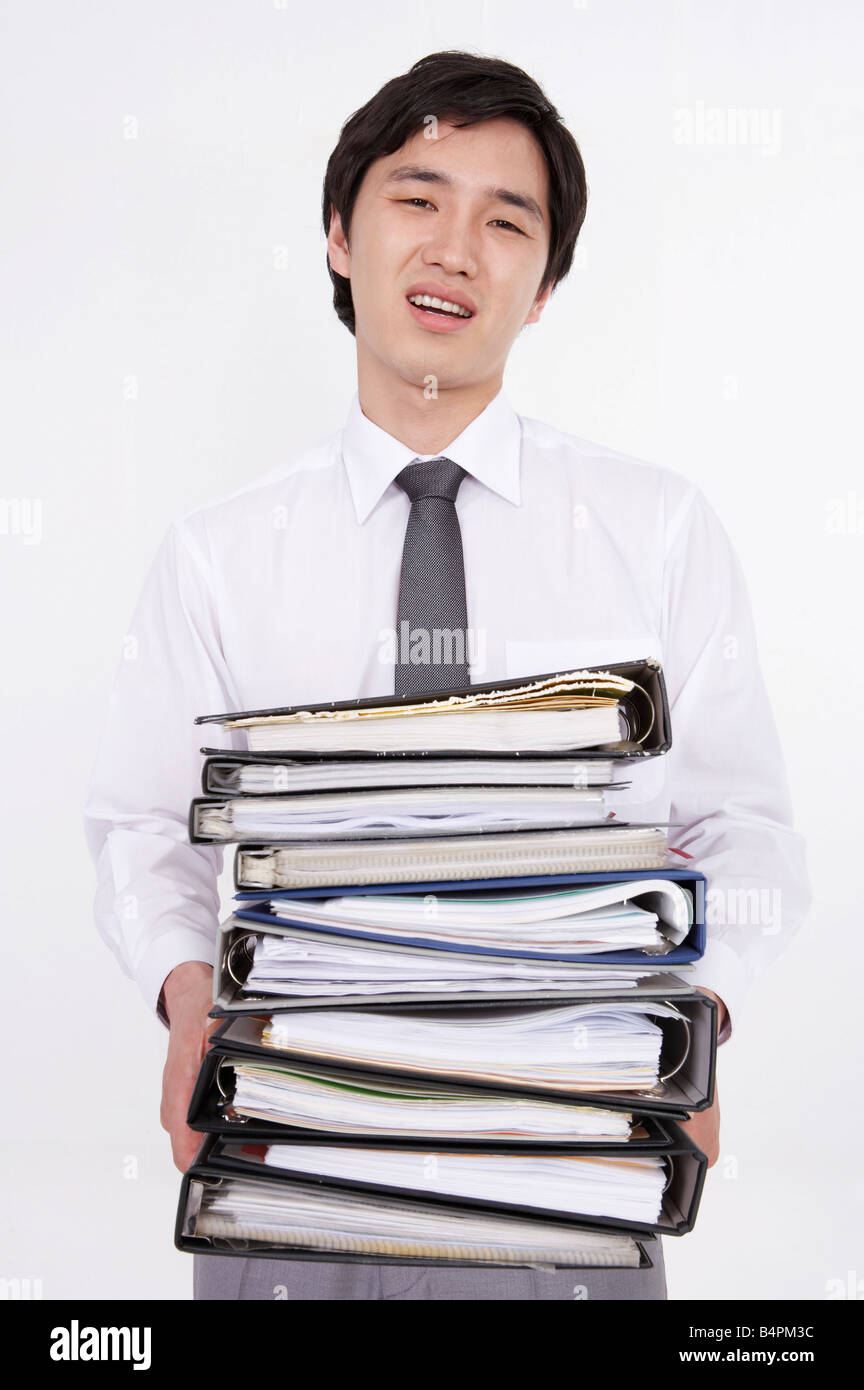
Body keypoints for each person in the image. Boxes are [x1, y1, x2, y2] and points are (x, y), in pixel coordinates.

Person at [83, 50, 811, 1301]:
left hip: (570, 1154)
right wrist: (189, 998)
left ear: (541, 289)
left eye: (505, 219)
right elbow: (145, 823)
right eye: (417, 199)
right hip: (292, 1159)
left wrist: (694, 1031)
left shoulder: (659, 527)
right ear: (338, 235)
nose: (455, 247)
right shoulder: (216, 552)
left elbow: (742, 825)